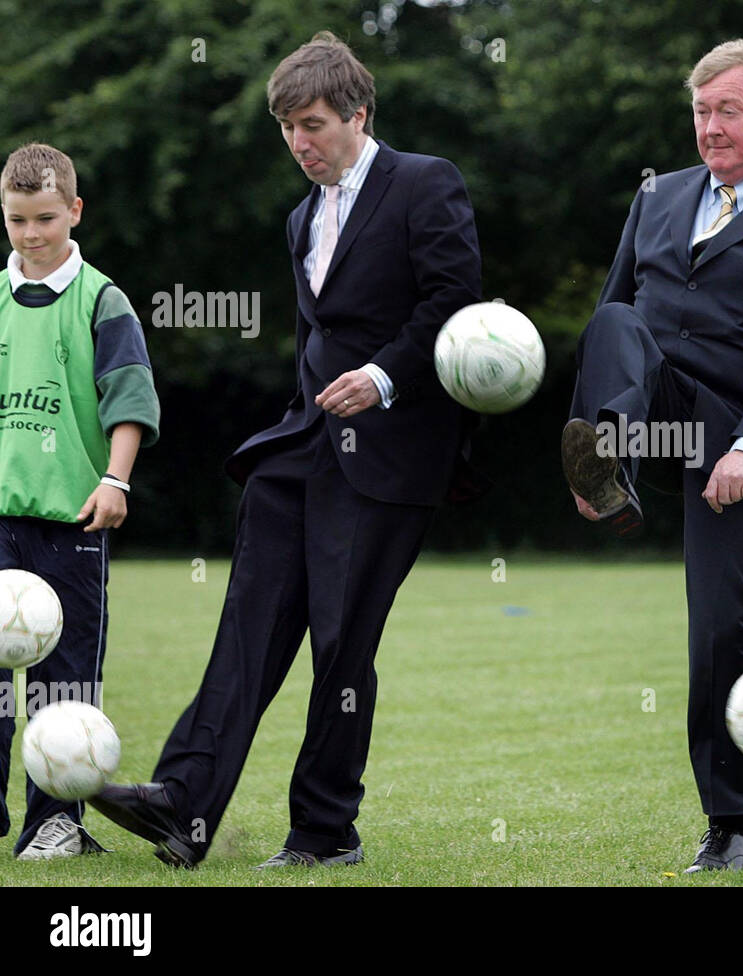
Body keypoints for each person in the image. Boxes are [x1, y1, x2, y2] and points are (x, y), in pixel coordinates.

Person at [89, 32, 482, 868]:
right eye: (286, 128)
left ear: (357, 114)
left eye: (311, 124)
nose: (299, 144)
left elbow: (455, 305)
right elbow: (315, 337)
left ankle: (324, 832)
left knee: (341, 644)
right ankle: (183, 807)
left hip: (391, 455)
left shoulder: (424, 183)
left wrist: (383, 377)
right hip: (304, 444)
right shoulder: (300, 216)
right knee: (250, 627)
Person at [562, 39, 743, 872]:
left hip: (737, 433)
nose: (710, 128)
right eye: (700, 111)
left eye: (727, 111)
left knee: (725, 628)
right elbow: (611, 312)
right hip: (646, 404)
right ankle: (608, 468)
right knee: (619, 321)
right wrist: (592, 436)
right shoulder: (658, 194)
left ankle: (731, 824)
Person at [0, 142, 160, 859]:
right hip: (1, 518)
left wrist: (115, 479)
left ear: (74, 210)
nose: (31, 235)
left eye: (45, 218)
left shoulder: (104, 299)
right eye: (16, 220)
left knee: (65, 682)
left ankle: (54, 824)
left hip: (73, 521)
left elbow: (128, 397)